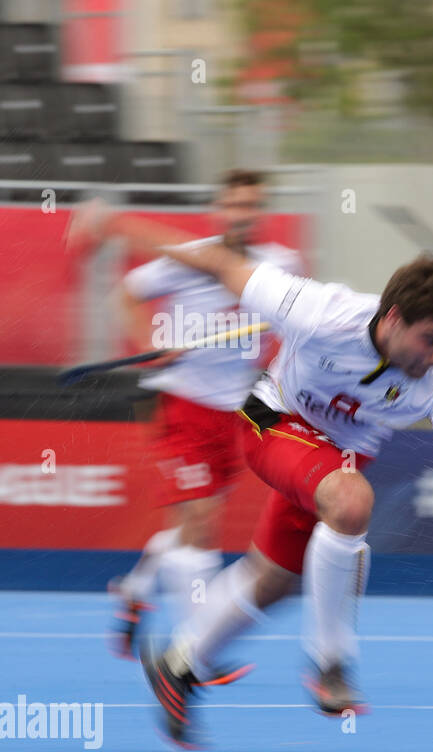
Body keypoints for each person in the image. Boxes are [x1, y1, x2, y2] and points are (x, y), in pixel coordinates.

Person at [68, 200, 433, 748]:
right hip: (274, 423)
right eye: (432, 339)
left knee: (274, 580)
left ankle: (180, 664)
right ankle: (331, 663)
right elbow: (217, 263)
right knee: (352, 501)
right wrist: (120, 227)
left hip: (340, 457)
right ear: (392, 318)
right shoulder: (317, 309)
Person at [110, 170, 303, 665]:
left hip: (235, 412)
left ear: (262, 211)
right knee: (200, 521)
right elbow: (128, 292)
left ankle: (133, 589)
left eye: (252, 205)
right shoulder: (189, 260)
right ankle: (194, 649)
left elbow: (297, 323)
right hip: (182, 404)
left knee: (189, 525)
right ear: (220, 210)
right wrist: (148, 342)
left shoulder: (281, 266)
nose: (243, 214)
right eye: (234, 205)